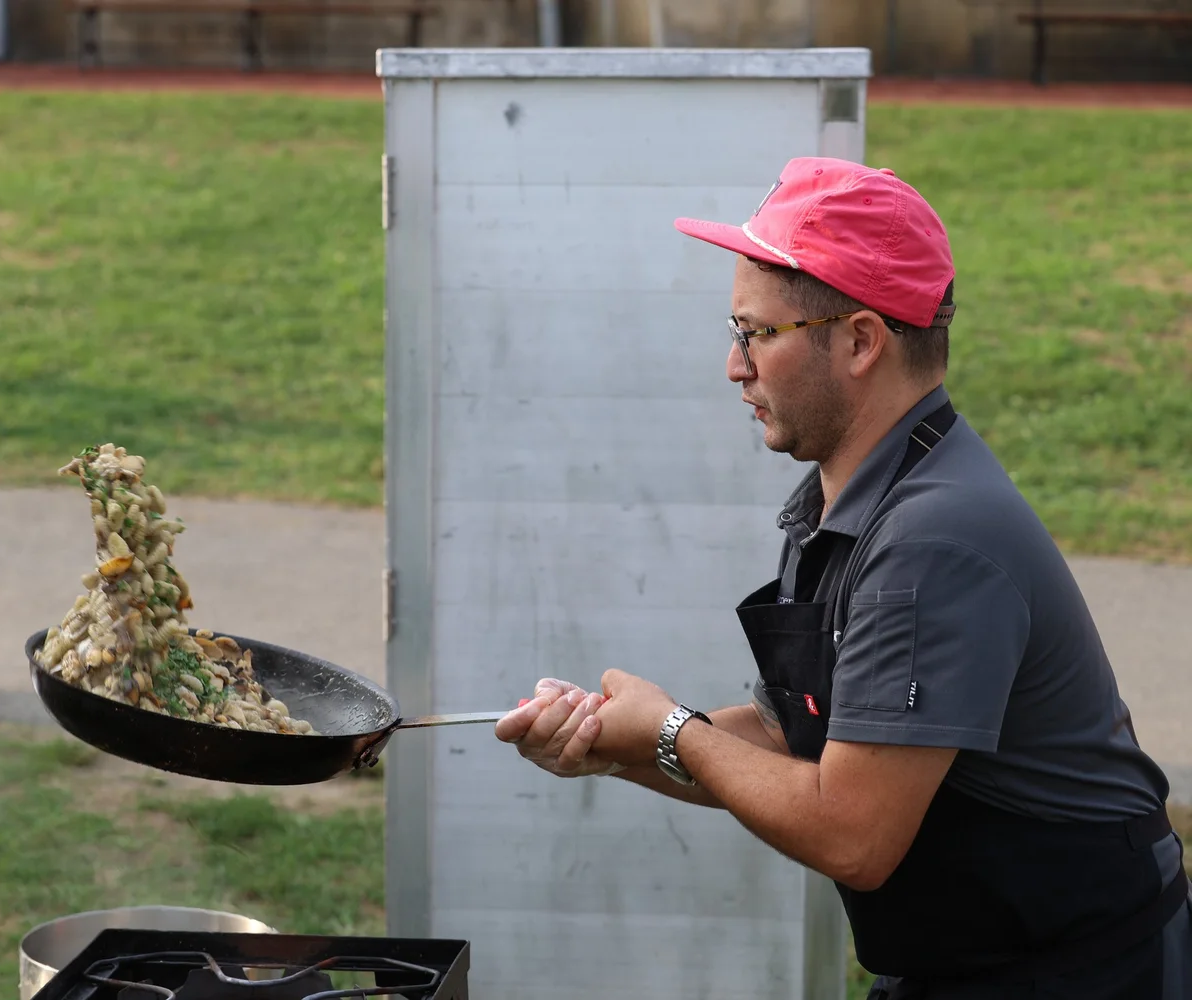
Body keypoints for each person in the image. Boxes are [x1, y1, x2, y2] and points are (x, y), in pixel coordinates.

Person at [495, 157, 1191, 999]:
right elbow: (805, 740)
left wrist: (673, 730)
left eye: (758, 333)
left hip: (1079, 971)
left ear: (861, 340)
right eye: (734, 328)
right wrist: (613, 743)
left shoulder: (935, 540)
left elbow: (853, 833)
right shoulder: (856, 497)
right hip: (977, 960)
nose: (733, 365)